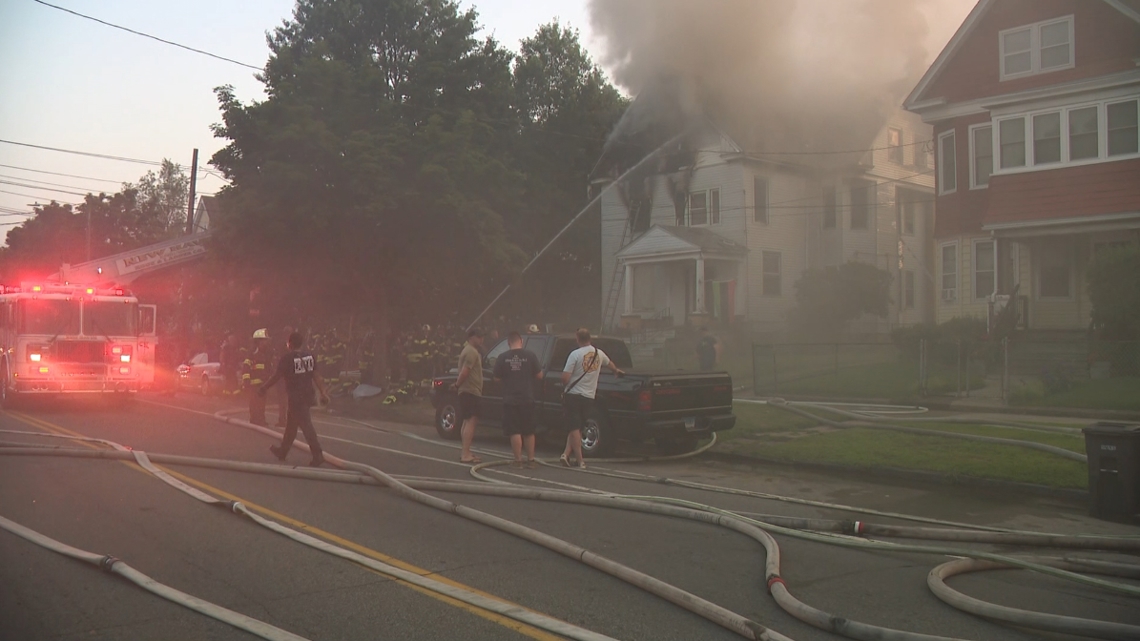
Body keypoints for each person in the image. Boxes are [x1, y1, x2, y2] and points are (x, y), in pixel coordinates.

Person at [259, 331, 330, 467]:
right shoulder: (310, 356)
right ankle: (283, 451)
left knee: (306, 426)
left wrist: (264, 388)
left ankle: (317, 454)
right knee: (291, 426)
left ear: (289, 343)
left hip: (296, 397)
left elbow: (276, 376)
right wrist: (323, 392)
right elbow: (316, 376)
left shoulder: (287, 358)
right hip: (308, 395)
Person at [561, 328, 624, 469]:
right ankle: (565, 455)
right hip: (589, 397)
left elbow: (565, 378)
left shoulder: (575, 354)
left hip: (573, 395)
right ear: (590, 338)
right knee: (576, 428)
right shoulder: (599, 353)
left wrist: (568, 382)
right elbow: (610, 364)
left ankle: (580, 460)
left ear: (577, 339)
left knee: (574, 427)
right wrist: (616, 371)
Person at [493, 331, 542, 468]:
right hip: (527, 397)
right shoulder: (530, 355)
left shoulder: (502, 357)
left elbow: (496, 378)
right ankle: (531, 460)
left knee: (514, 430)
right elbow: (540, 375)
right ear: (521, 341)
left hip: (510, 398)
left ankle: (518, 460)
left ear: (509, 343)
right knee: (529, 430)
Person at [450, 327, 484, 464]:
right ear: (471, 337)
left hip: (469, 391)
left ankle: (466, 451)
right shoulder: (471, 352)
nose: (482, 339)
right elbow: (465, 371)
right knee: (471, 420)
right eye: (479, 336)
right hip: (470, 391)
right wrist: (457, 385)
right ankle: (465, 454)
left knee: (467, 420)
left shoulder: (470, 351)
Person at [242, 328, 273, 426]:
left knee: (262, 403)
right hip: (253, 384)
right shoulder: (252, 352)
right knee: (255, 402)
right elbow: (246, 367)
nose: (266, 342)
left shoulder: (266, 352)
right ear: (259, 341)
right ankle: (254, 419)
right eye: (265, 340)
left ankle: (261, 419)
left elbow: (268, 367)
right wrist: (246, 381)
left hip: (263, 383)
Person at [274, 325, 293, 427]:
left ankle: (286, 420)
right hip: (283, 377)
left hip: (289, 377)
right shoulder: (282, 345)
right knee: (282, 400)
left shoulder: (292, 346)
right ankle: (282, 420)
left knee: (288, 400)